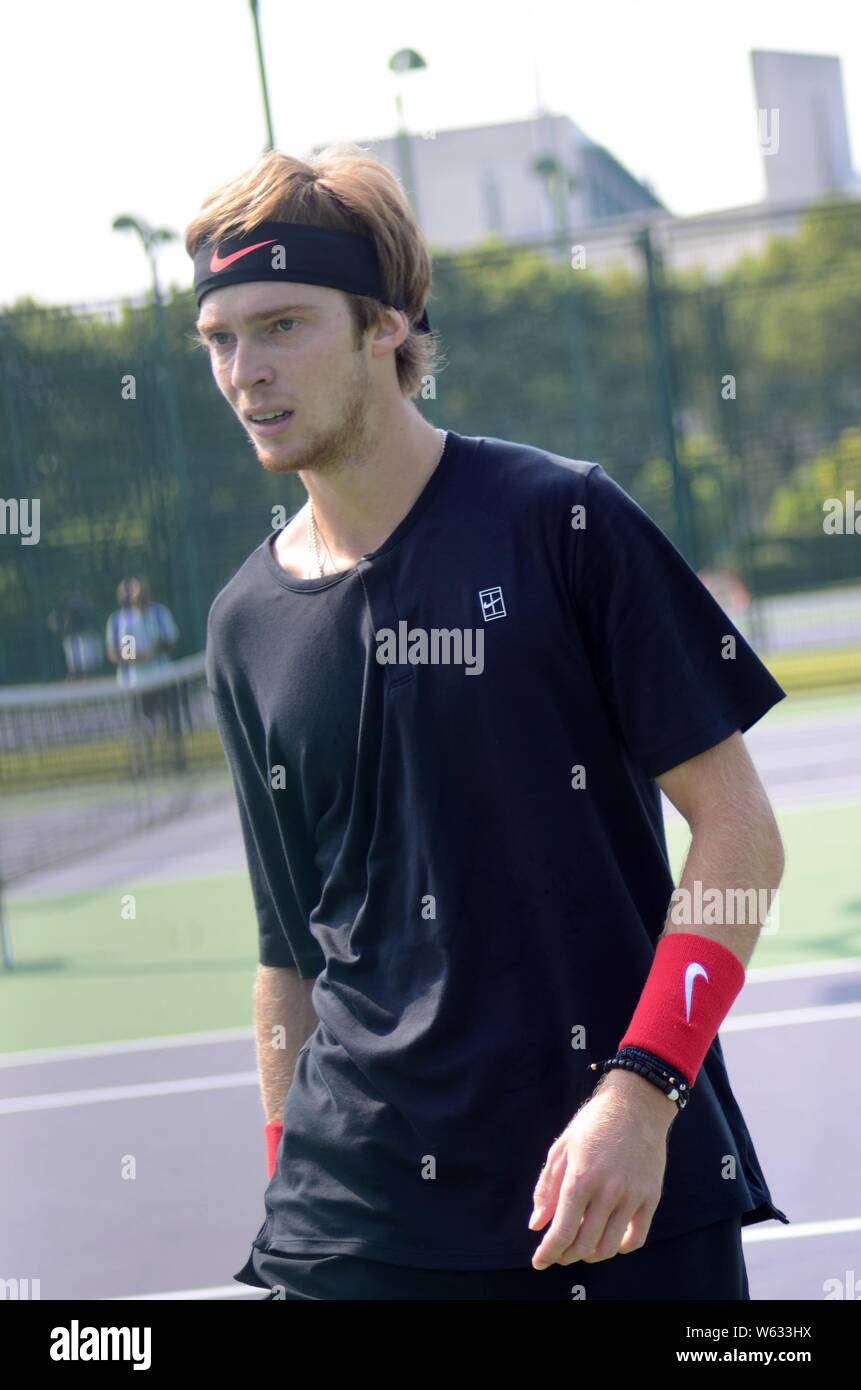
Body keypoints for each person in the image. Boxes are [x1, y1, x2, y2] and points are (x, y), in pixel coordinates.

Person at [187, 144, 789, 1302]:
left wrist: (642, 1091)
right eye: (220, 338)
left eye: (282, 326)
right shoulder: (241, 622)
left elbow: (742, 835)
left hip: (611, 1198)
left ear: (386, 323)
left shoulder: (564, 521)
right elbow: (289, 955)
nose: (245, 372)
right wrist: (287, 1189)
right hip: (356, 1221)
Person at [105, 578, 184, 766]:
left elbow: (170, 641)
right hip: (137, 683)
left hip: (162, 678)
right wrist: (141, 656)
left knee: (170, 721)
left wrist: (156, 650)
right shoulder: (123, 621)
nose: (139, 598)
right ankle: (143, 762)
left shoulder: (159, 613)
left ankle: (177, 759)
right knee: (141, 725)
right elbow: (124, 653)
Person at [47, 586, 104, 679]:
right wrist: (62, 629)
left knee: (86, 664)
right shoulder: (65, 605)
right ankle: (78, 678)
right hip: (73, 635)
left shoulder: (83, 604)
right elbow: (58, 619)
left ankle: (84, 677)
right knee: (76, 665)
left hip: (83, 634)